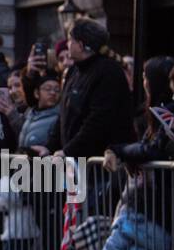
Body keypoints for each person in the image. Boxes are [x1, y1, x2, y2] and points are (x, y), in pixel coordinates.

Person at [50, 18, 134, 159]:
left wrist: (69, 151)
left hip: (99, 165)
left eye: (70, 40)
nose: (67, 44)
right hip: (74, 163)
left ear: (80, 45)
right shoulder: (73, 71)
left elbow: (99, 120)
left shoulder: (108, 72)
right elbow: (64, 116)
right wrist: (49, 147)